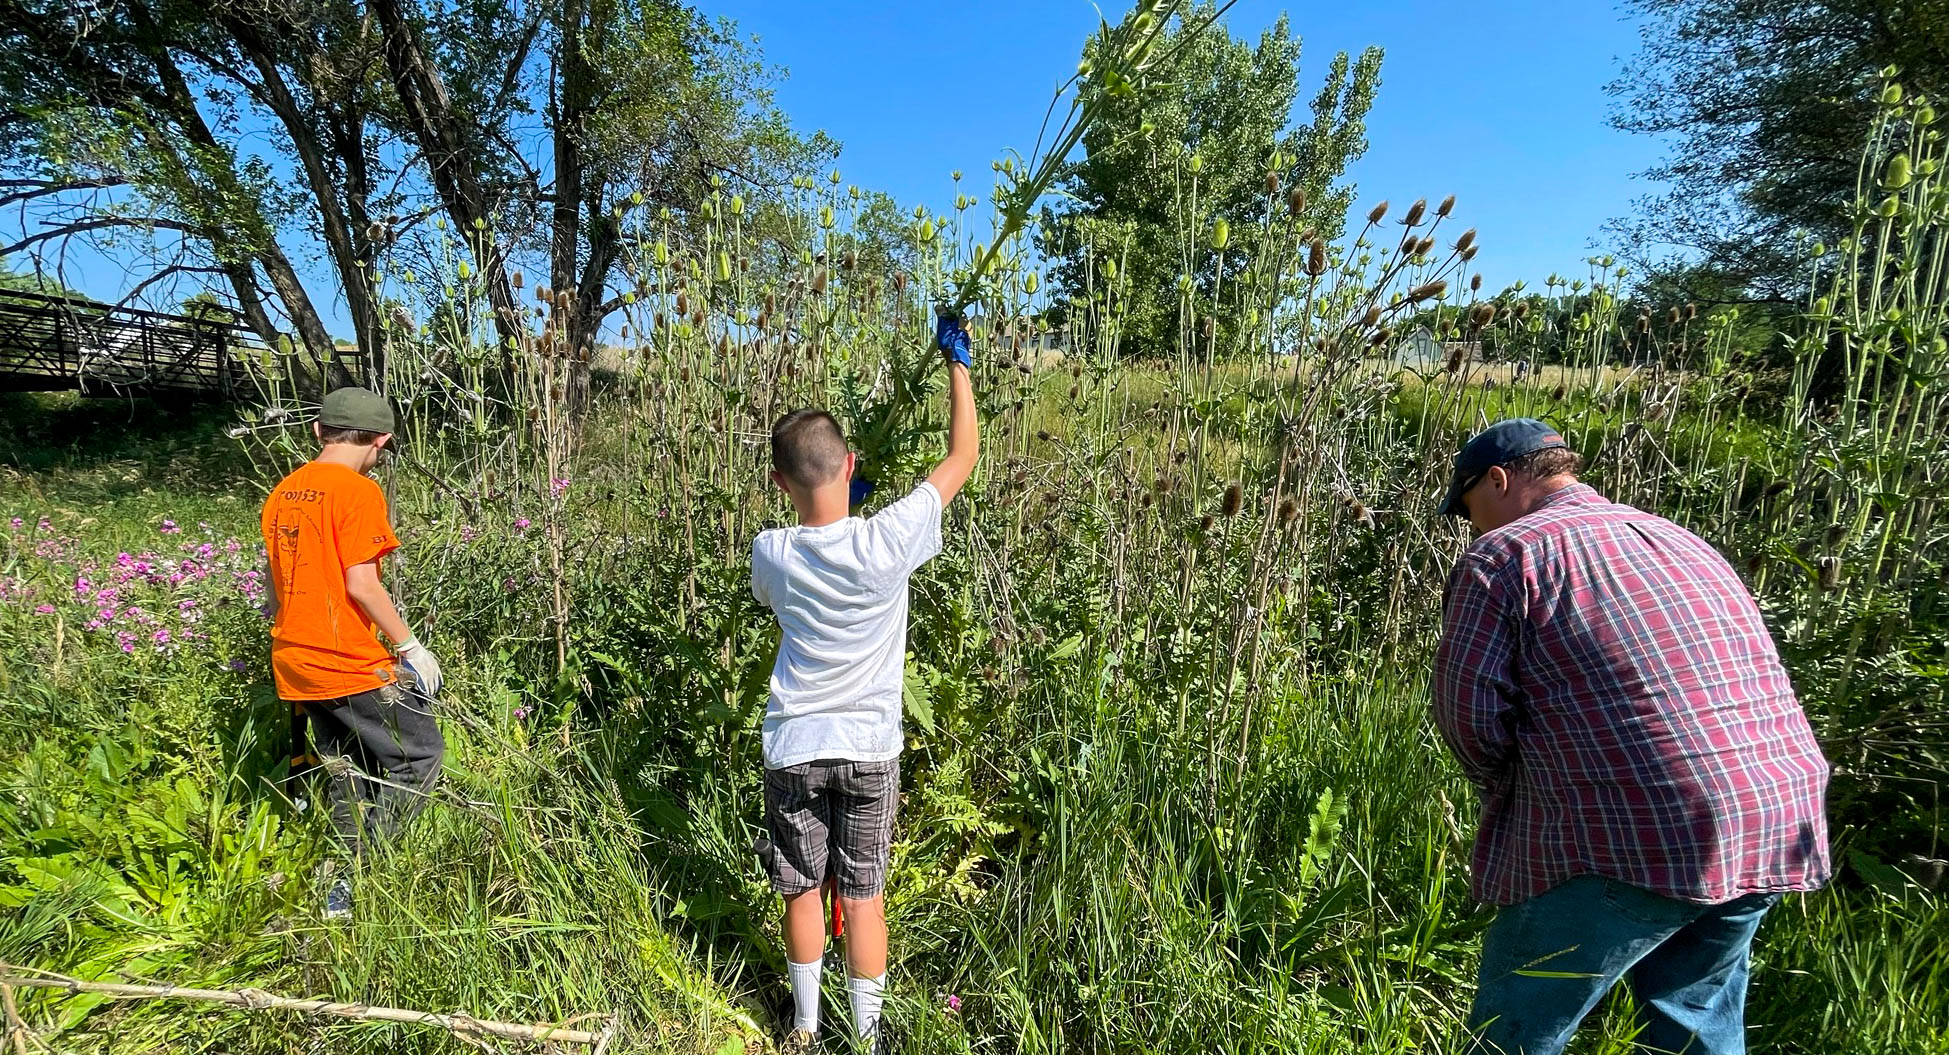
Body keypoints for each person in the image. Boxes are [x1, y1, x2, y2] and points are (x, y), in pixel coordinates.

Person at [1431, 418, 1830, 1055]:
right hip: (1776, 816)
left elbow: (1470, 716)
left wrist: (1513, 789)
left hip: (1636, 824)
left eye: (1468, 506)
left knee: (1515, 1033)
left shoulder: (1504, 556)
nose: (1472, 525)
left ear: (1499, 480)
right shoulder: (1674, 536)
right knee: (1694, 1020)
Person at [750, 313, 979, 1054]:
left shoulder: (771, 551)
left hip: (795, 744)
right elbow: (962, 455)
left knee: (800, 888)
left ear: (779, 481)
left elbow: (795, 556)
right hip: (870, 747)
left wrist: (839, 499)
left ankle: (807, 1026)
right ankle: (869, 1037)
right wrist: (957, 364)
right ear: (849, 462)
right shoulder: (891, 538)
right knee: (863, 893)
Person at [262, 386, 447, 920]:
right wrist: (409, 646)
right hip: (345, 658)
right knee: (418, 758)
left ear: (319, 430)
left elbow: (274, 589)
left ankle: (337, 883)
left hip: (294, 658)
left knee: (348, 767)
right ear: (382, 441)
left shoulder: (285, 490)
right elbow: (362, 584)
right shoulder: (358, 492)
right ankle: (359, 874)